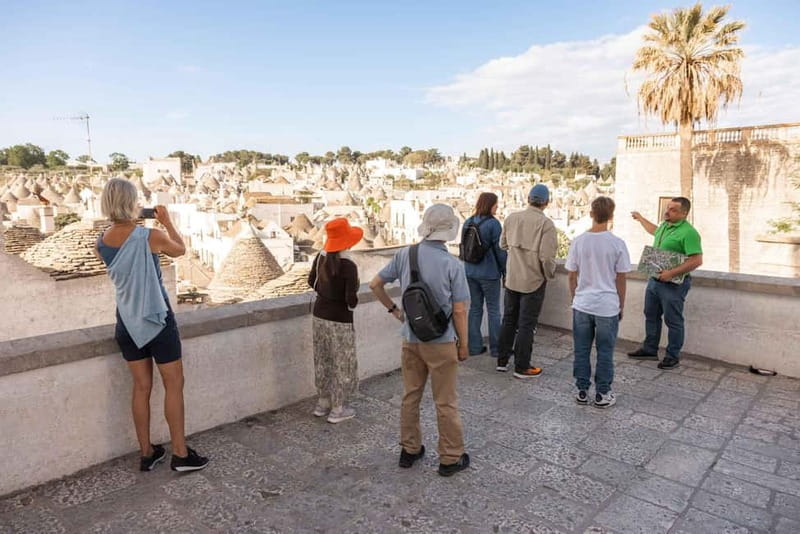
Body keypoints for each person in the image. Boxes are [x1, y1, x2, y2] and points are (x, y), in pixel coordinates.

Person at [96, 178, 208, 472]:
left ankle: (147, 453)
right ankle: (181, 455)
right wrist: (168, 222)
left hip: (126, 323)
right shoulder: (150, 236)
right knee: (174, 386)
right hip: (157, 319)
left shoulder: (102, 241)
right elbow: (180, 250)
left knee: (141, 387)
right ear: (131, 202)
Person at [369, 204, 471, 477]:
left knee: (410, 396)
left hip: (410, 338)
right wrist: (463, 345)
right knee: (445, 401)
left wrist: (395, 312)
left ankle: (409, 450)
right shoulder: (453, 265)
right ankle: (450, 457)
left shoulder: (405, 254)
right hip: (441, 342)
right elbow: (460, 310)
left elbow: (374, 284)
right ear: (449, 231)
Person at [566, 197, 631, 408]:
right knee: (605, 351)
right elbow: (621, 278)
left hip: (583, 304)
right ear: (611, 216)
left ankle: (582, 390)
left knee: (581, 349)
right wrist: (620, 305)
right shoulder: (617, 244)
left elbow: (571, 275)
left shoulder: (578, 241)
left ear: (591, 214)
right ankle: (603, 393)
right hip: (607, 305)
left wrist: (575, 297)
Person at [627, 197, 703, 370]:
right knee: (651, 315)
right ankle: (649, 349)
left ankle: (672, 356)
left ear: (684, 213)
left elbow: (697, 260)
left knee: (673, 320)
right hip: (655, 280)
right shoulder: (665, 226)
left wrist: (671, 273)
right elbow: (654, 230)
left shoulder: (689, 233)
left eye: (673, 209)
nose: (667, 212)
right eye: (668, 208)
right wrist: (640, 219)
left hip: (673, 284)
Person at [496, 184, 558, 378]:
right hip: (533, 280)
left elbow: (502, 244)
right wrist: (548, 274)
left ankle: (502, 360)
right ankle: (522, 366)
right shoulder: (546, 224)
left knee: (508, 319)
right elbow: (547, 257)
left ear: (528, 199)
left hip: (512, 277)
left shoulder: (512, 218)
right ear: (546, 202)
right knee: (526, 324)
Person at [307, 218, 363, 424]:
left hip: (319, 314)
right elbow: (351, 298)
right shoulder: (349, 266)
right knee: (342, 361)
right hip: (340, 319)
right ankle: (338, 408)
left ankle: (322, 403)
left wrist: (326, 294)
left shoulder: (320, 258)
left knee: (322, 359)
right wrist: (351, 302)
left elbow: (310, 281)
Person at [461, 192, 507, 357]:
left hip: (470, 271)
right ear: (490, 205)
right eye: (496, 204)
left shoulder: (468, 221)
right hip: (489, 273)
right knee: (494, 310)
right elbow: (500, 252)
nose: (498, 207)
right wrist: (505, 271)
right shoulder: (494, 225)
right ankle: (496, 349)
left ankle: (474, 346)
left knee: (475, 309)